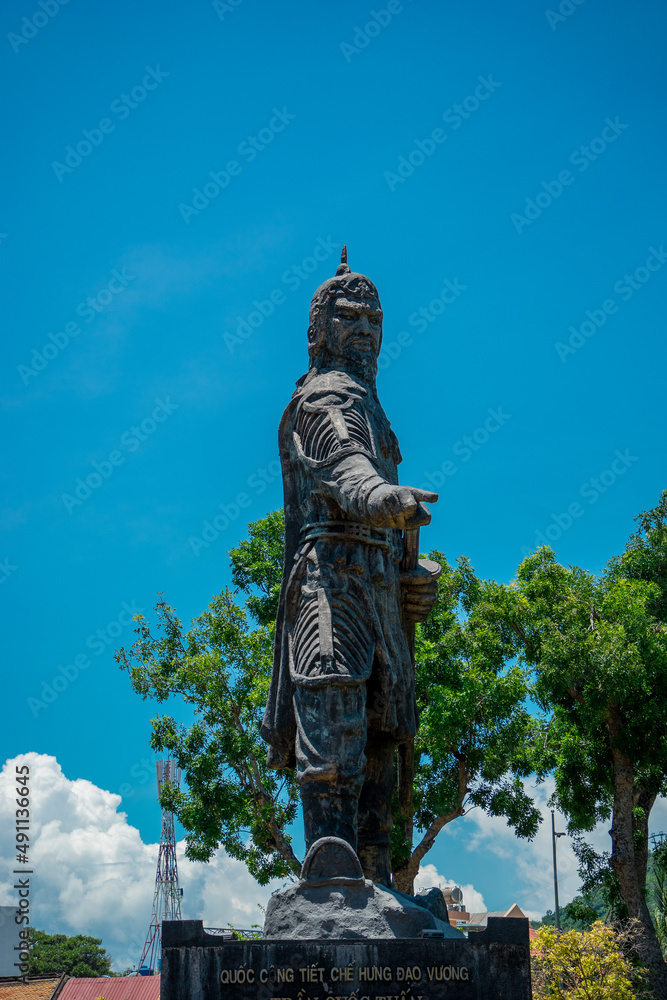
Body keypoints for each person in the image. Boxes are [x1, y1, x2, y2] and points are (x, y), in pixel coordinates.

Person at [261, 250, 440, 886]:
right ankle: (330, 874)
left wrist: (411, 576)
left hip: (378, 588)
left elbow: (379, 495)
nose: (364, 328)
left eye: (374, 318)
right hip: (329, 586)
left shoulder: (376, 408)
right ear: (319, 331)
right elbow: (345, 467)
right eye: (349, 316)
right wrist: (386, 502)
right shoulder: (325, 398)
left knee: (386, 738)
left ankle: (381, 876)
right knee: (334, 731)